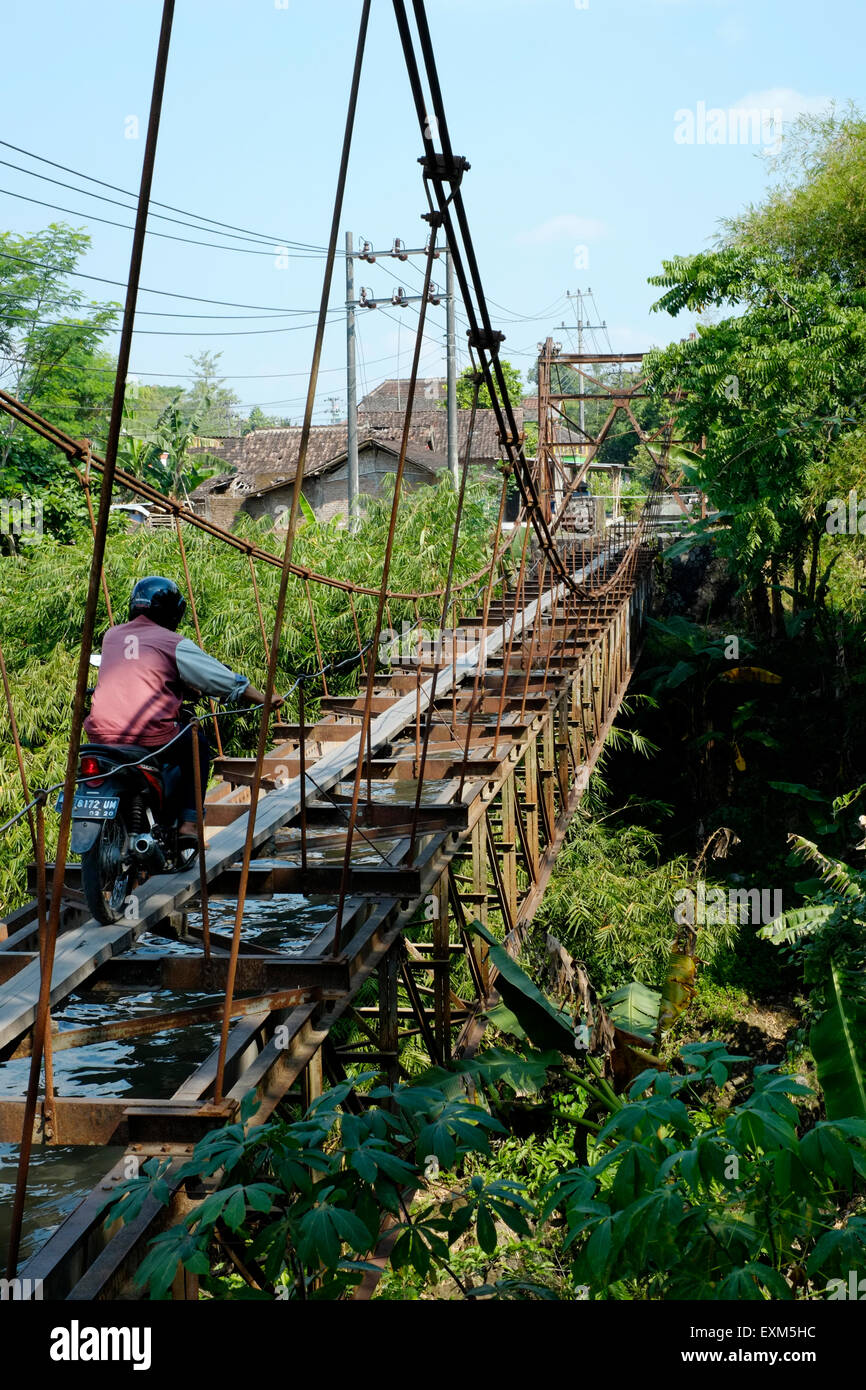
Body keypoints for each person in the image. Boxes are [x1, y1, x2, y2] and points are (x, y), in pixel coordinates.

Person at [84, 576, 281, 841]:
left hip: (100, 736)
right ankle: (190, 822)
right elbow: (219, 679)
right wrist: (263, 699)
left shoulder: (111, 636)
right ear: (173, 611)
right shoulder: (171, 642)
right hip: (150, 736)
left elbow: (139, 675)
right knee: (196, 743)